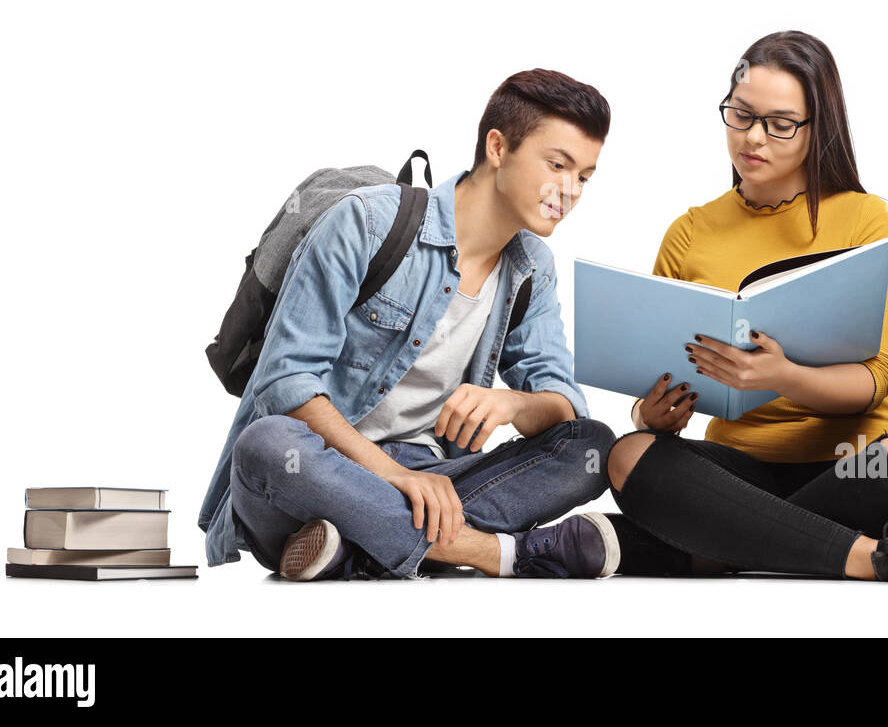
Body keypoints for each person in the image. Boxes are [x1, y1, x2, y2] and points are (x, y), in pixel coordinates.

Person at [198, 69, 623, 580]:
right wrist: (392, 477)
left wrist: (513, 402)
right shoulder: (366, 222)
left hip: (434, 475)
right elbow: (285, 384)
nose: (569, 190)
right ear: (497, 147)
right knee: (266, 446)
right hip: (321, 468)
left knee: (592, 447)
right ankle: (495, 552)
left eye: (584, 176)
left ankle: (353, 548)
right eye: (557, 165)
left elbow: (562, 404)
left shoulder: (531, 266)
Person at [602, 31, 888, 582]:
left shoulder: (869, 222)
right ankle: (873, 557)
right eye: (741, 115)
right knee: (628, 455)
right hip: (735, 474)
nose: (753, 137)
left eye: (780, 124)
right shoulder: (689, 233)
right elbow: (658, 377)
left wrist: (781, 375)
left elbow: (873, 381)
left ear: (816, 128)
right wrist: (650, 414)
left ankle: (716, 548)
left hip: (854, 462)